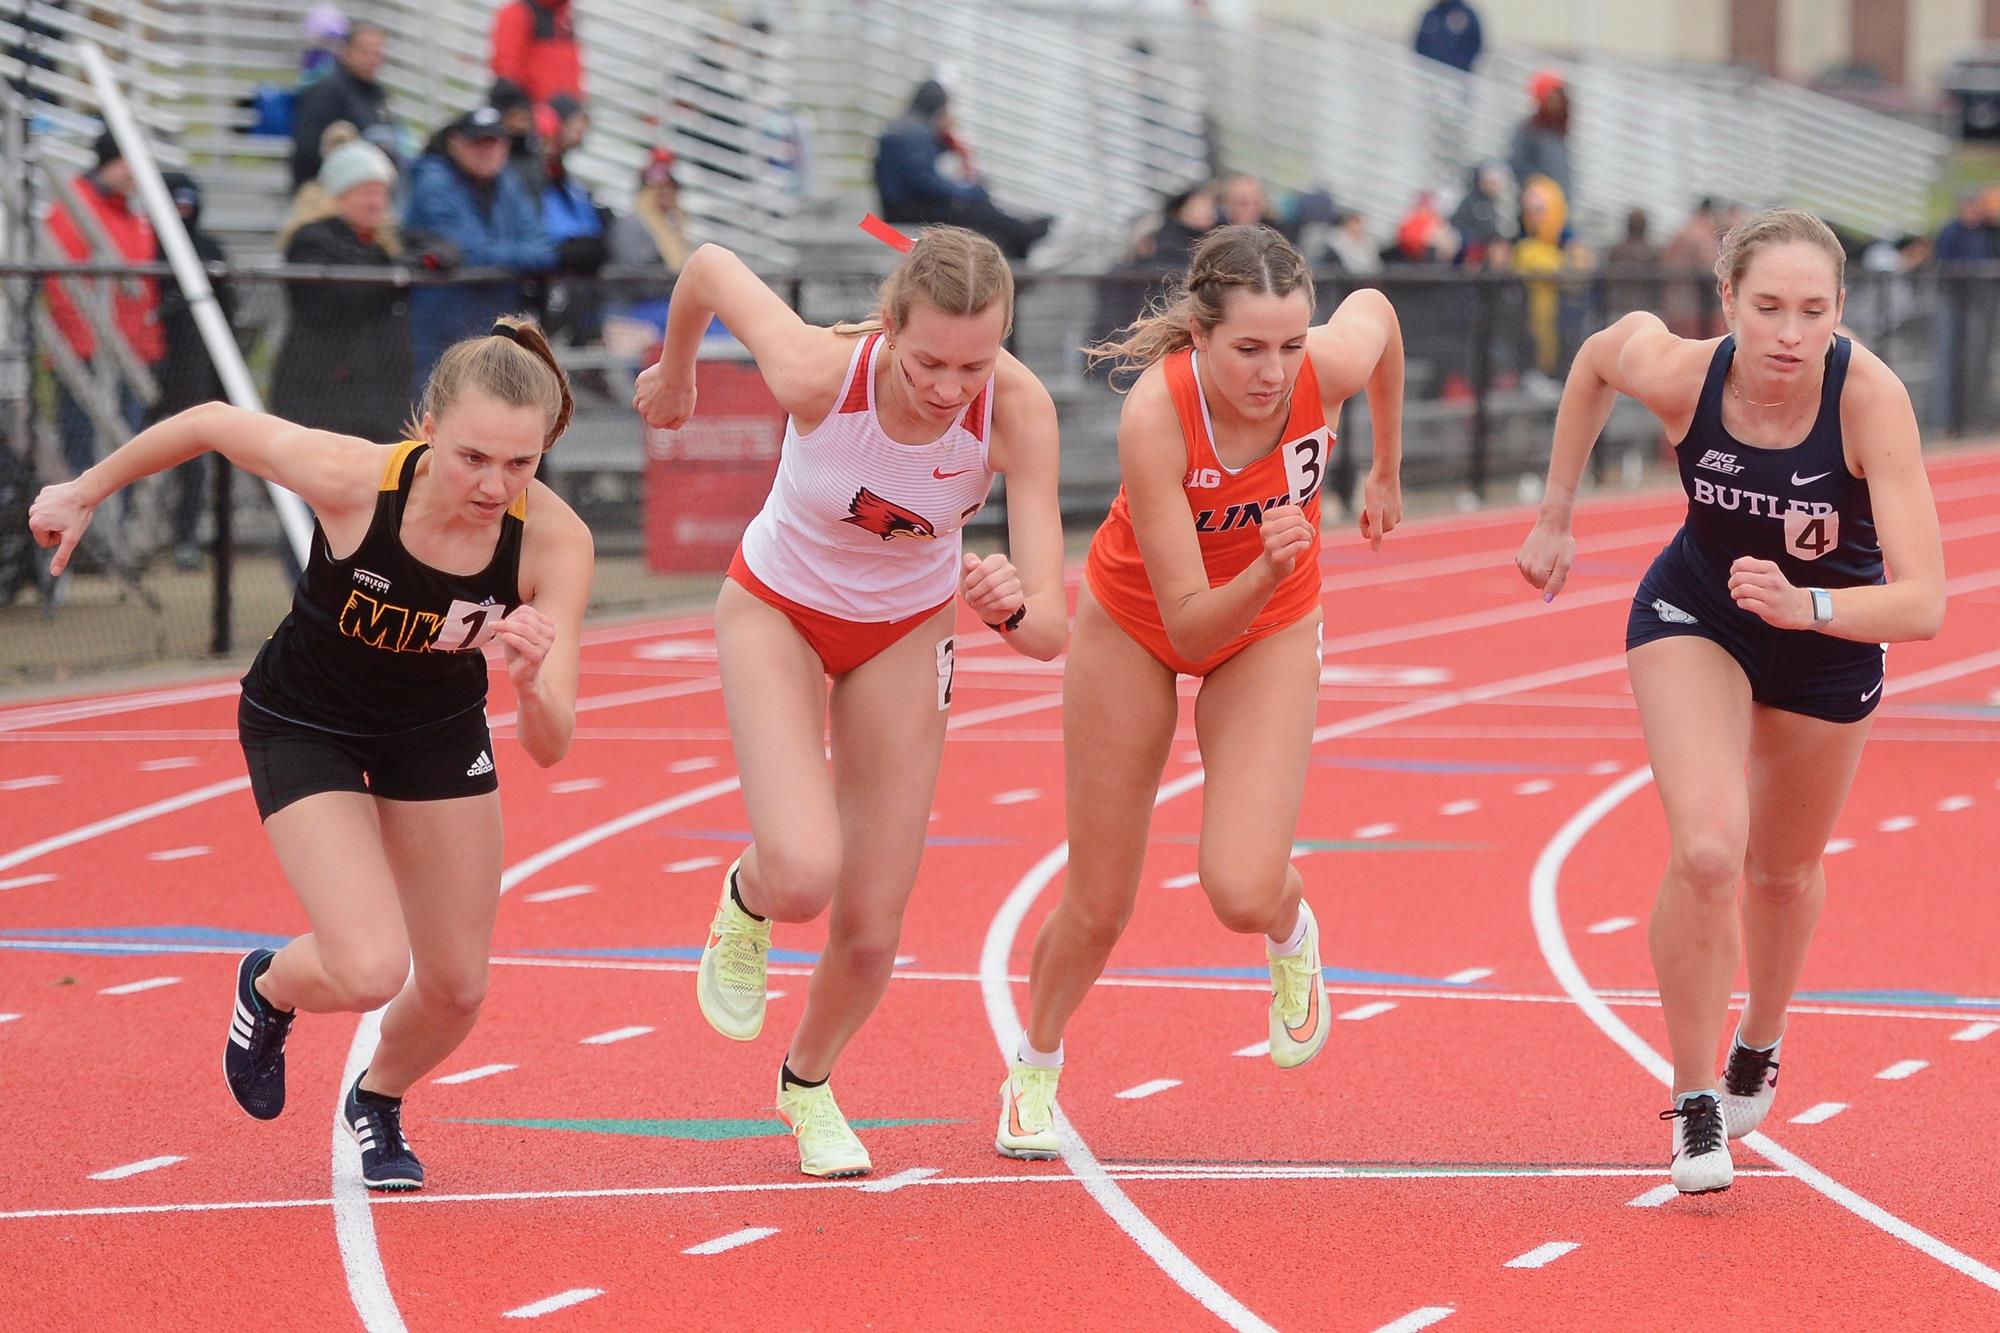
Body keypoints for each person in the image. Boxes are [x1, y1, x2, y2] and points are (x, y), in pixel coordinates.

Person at [28, 318, 596, 1192]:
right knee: (370, 966)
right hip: (306, 721)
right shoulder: (352, 479)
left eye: (521, 463)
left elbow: (552, 747)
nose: (495, 485)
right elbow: (212, 420)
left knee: (456, 988)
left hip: (434, 730)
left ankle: (378, 1097)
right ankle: (269, 986)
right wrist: (84, 489)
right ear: (429, 429)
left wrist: (530, 686)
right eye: (473, 457)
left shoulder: (553, 542)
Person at [1514, 208, 1946, 1195]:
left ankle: (1759, 1036)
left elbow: (1923, 602)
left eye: (1812, 311)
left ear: (1840, 309)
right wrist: (1554, 514)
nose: (1789, 334)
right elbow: (1595, 360)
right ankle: (1694, 1093)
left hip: (1828, 633)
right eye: (1767, 308)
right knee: (1708, 849)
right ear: (1726, 302)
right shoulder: (1682, 373)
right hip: (1698, 609)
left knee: (1781, 872)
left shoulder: (1867, 400)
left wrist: (1809, 605)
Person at [632, 226, 1066, 1178]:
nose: (950, 388)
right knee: (801, 874)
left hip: (906, 631)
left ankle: (808, 1082)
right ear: (889, 327)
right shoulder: (819, 372)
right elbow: (707, 266)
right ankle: (747, 899)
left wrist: (1009, 606)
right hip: (778, 608)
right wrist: (677, 376)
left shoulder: (1018, 412)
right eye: (929, 362)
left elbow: (1050, 633)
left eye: (974, 365)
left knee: (871, 927)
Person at [998, 224, 1404, 1160]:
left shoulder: (1324, 366)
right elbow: (1187, 626)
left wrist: (1384, 465)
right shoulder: (1157, 415)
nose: (1274, 372)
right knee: (1099, 901)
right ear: (1200, 333)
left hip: (1272, 626)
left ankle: (1290, 929)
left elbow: (1378, 316)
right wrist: (1263, 563)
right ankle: (1034, 1062)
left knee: (1240, 887)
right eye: (1249, 348)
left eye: (1291, 346)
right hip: (1141, 622)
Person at [271, 141, 412, 444]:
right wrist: (391, 274)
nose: (376, 202)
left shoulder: (382, 245)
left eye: (382, 193)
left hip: (375, 387)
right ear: (339, 192)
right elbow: (329, 301)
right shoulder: (311, 239)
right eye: (367, 192)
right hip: (322, 386)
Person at [148, 173, 238, 569]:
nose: (183, 212)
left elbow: (228, 307)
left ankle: (187, 537)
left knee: (194, 460)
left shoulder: (209, 247)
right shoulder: (148, 246)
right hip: (152, 363)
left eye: (189, 204)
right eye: (176, 204)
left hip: (197, 371)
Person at [873, 80, 1051, 260]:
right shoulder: (914, 132)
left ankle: (1024, 234)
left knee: (978, 206)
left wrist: (948, 143)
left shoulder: (906, 127)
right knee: (979, 210)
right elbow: (923, 183)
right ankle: (1026, 236)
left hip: (900, 207)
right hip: (909, 211)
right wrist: (965, 191)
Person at [290, 21, 389, 190]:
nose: (372, 60)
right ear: (346, 51)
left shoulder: (377, 93)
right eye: (365, 52)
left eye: (377, 53)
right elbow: (307, 152)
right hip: (330, 191)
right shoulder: (325, 92)